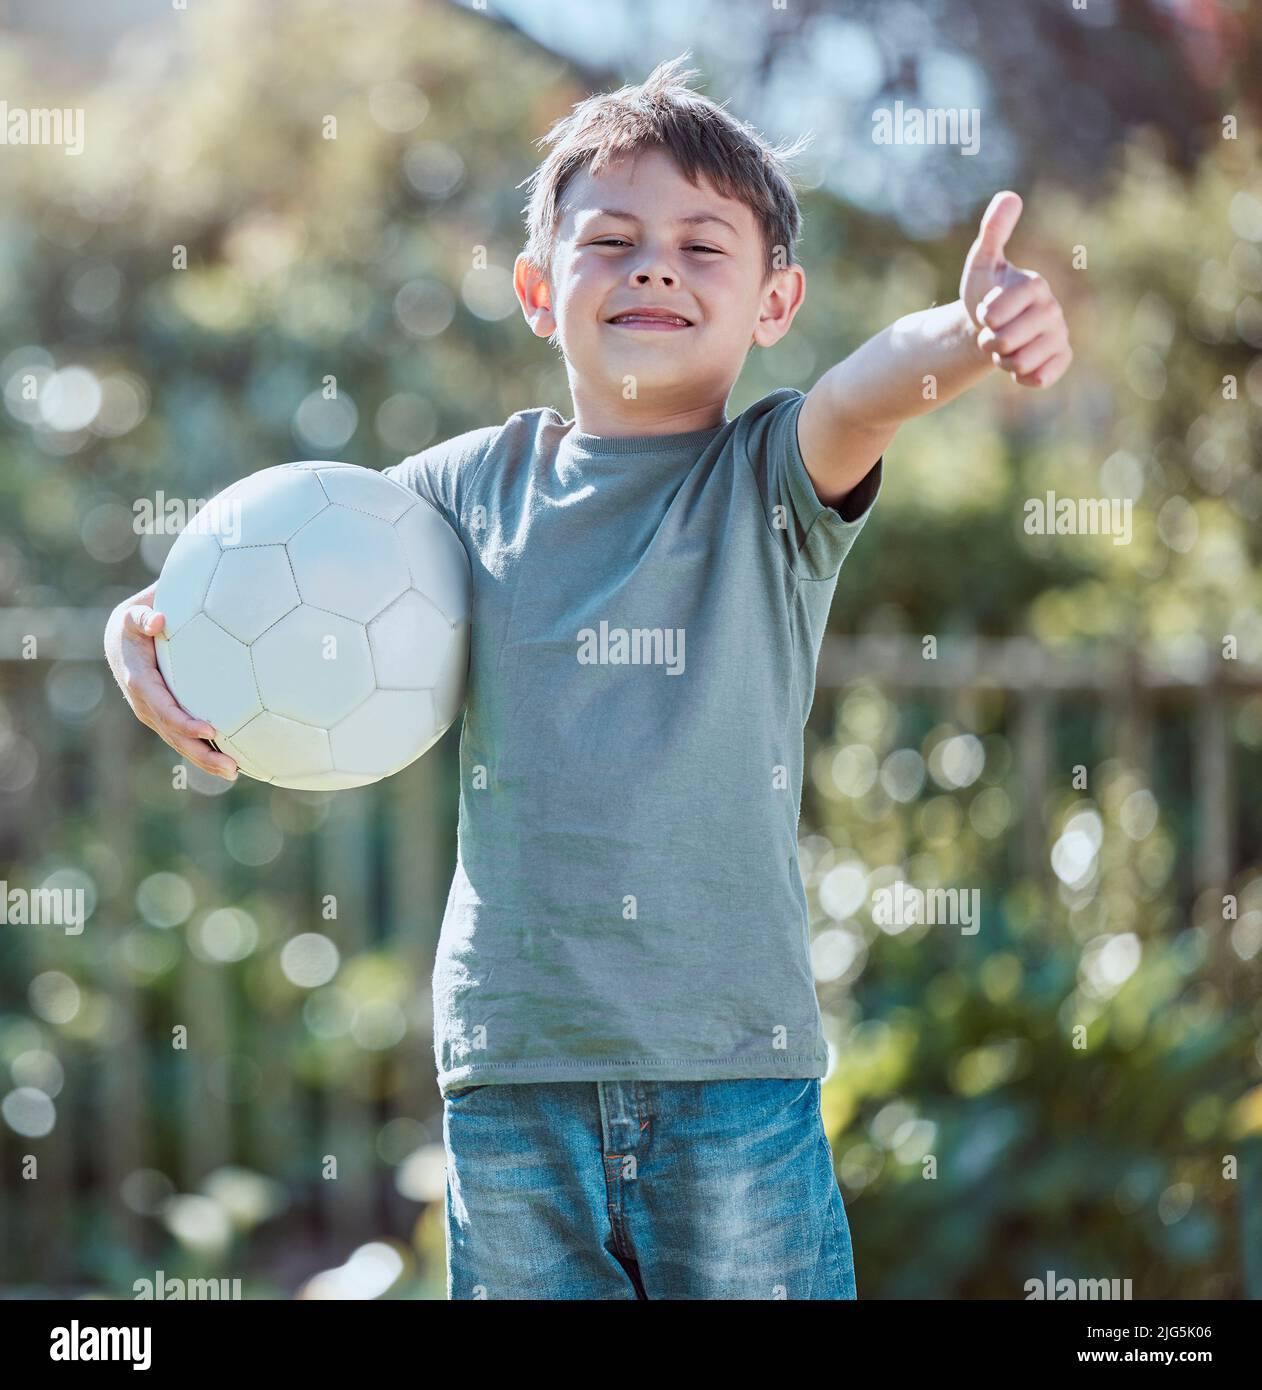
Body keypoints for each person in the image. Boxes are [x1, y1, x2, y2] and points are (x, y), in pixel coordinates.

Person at [104, 54, 1070, 1299]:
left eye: (701, 246)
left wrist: (965, 333)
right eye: (609, 239)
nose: (653, 265)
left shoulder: (770, 477)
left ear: (775, 301)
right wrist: (150, 627)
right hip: (512, 1072)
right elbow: (282, 582)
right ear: (535, 286)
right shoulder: (460, 490)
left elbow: (861, 393)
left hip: (730, 1071)